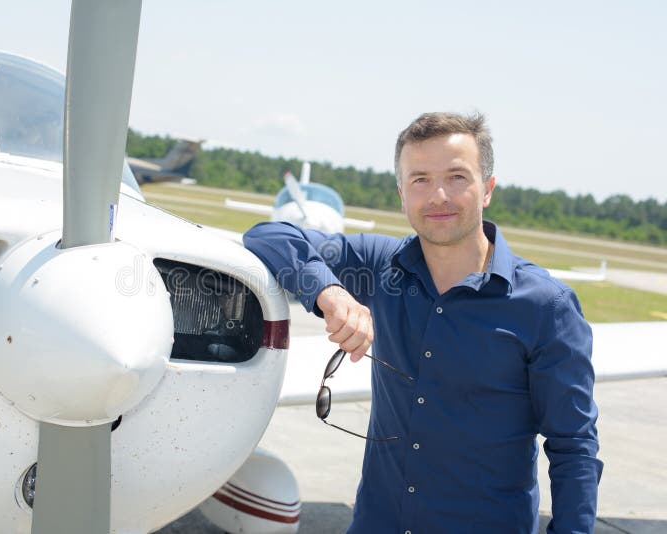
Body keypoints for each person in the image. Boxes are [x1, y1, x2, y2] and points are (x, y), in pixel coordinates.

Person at [243, 112, 602, 533]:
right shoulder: (380, 265)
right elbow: (268, 236)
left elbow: (574, 446)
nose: (438, 196)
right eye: (420, 180)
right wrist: (330, 292)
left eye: (456, 177)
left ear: (486, 189)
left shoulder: (546, 305)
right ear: (401, 195)